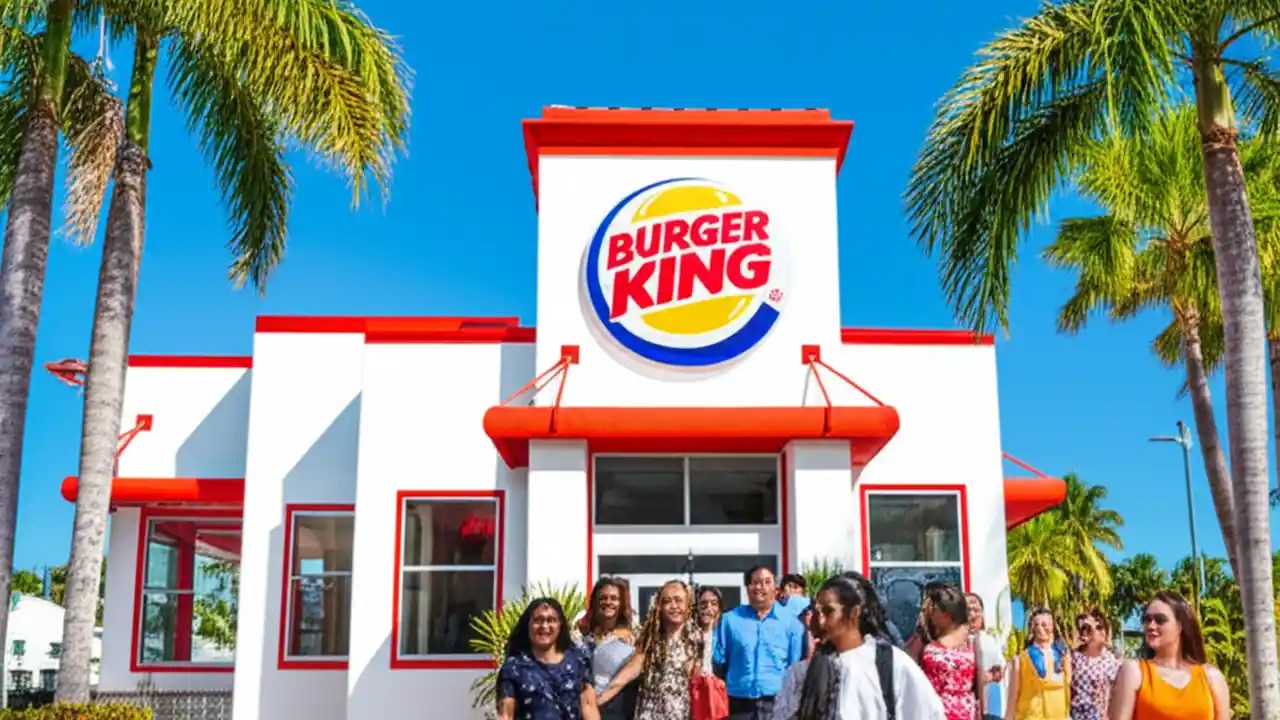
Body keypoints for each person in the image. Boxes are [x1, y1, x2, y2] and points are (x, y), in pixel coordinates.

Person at [772, 571, 947, 719]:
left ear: (854, 612)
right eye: (817, 612)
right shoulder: (800, 674)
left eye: (829, 611)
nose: (821, 621)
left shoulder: (891, 665)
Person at [1106, 591, 1231, 720]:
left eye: (1160, 620)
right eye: (1147, 619)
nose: (1151, 625)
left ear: (1180, 626)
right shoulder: (1135, 672)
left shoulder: (1211, 677)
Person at [599, 579, 704, 720]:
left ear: (687, 604)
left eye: (678, 600)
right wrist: (596, 701)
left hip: (681, 714)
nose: (674, 606)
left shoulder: (695, 638)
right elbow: (625, 677)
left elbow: (696, 683)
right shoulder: (651, 638)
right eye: (667, 601)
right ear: (659, 606)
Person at [715, 565, 807, 719]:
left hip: (777, 703)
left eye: (767, 582)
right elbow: (719, 661)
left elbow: (794, 664)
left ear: (775, 588)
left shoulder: (791, 623)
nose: (761, 587)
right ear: (747, 587)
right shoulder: (729, 620)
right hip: (739, 703)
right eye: (755, 582)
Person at [497, 597, 602, 720]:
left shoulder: (578, 661)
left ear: (560, 625)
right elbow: (506, 715)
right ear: (528, 625)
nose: (544, 626)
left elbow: (588, 706)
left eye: (551, 620)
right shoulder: (513, 668)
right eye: (538, 620)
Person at [577, 577, 639, 720]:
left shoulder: (633, 638)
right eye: (603, 598)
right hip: (585, 709)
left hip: (618, 710)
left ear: (621, 603)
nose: (608, 602)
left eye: (614, 598)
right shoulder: (582, 636)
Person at [919, 584, 982, 720]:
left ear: (945, 615)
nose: (930, 614)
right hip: (961, 712)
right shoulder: (972, 644)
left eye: (933, 610)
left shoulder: (932, 652)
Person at [1006, 607, 1070, 720]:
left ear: (1052, 626)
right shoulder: (1022, 659)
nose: (1041, 628)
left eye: (1045, 625)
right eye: (1037, 625)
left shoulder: (1062, 656)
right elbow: (1013, 696)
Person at [1069, 609, 1120, 720]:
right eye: (1096, 628)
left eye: (1101, 627)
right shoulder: (1074, 658)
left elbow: (1114, 693)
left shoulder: (1111, 659)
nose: (1101, 632)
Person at [966, 593, 1006, 720]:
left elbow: (1000, 671)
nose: (972, 615)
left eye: (976, 610)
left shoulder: (991, 641)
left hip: (990, 708)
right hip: (963, 709)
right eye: (967, 610)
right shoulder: (951, 644)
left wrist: (989, 676)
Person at [696, 586, 724, 675]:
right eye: (703, 603)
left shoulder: (725, 637)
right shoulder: (690, 636)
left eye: (714, 603)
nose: (708, 607)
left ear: (720, 609)